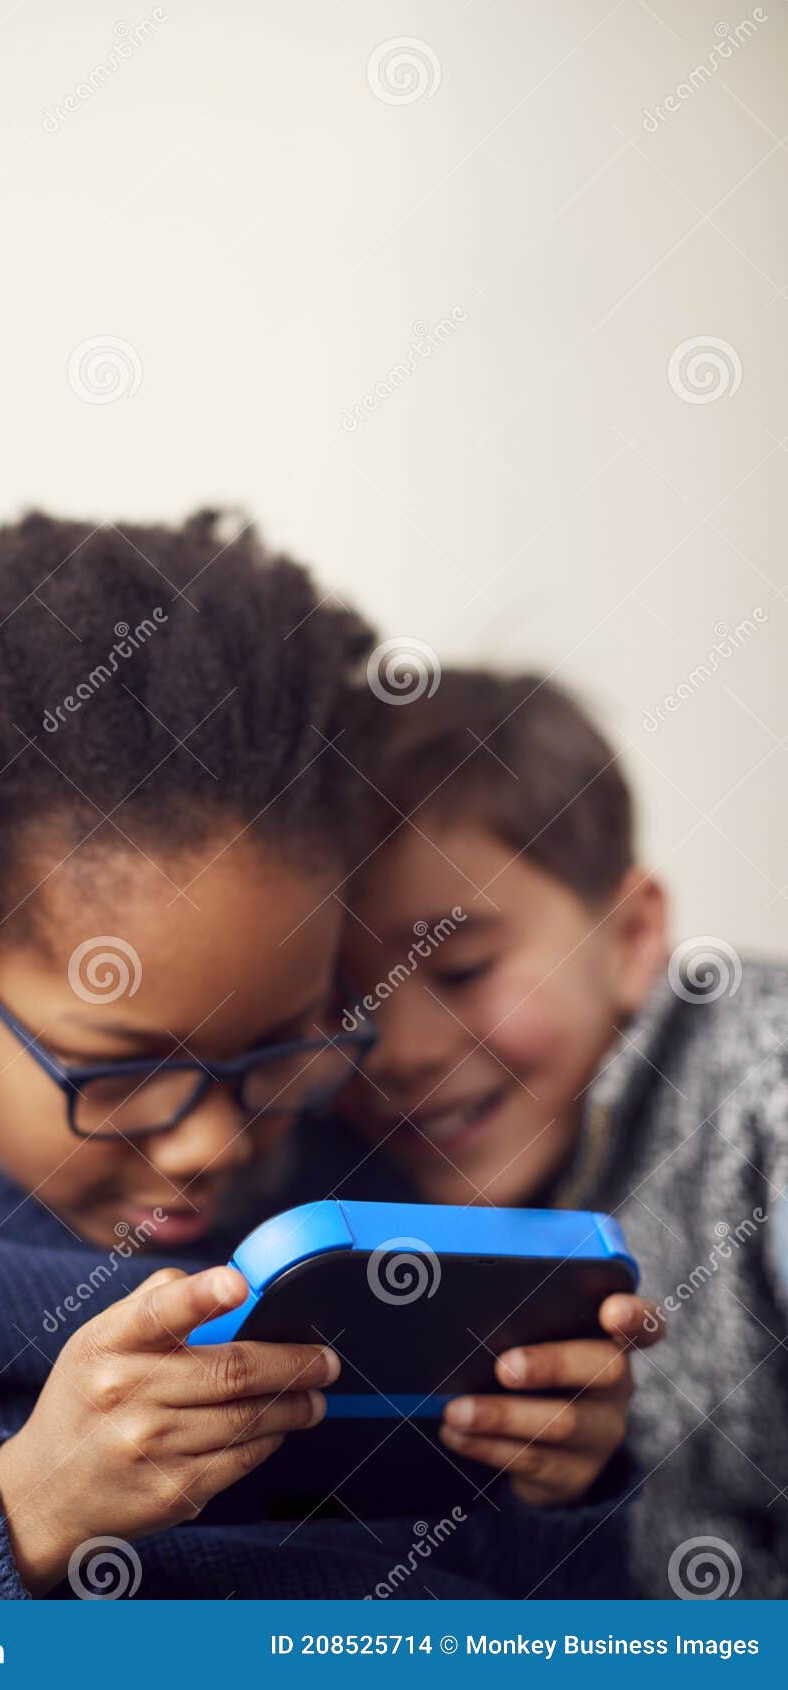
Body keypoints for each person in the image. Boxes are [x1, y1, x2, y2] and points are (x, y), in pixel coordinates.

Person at [0, 522, 644, 1600]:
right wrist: (23, 1509)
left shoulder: (351, 1199)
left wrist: (556, 1490)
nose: (212, 1142)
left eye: (279, 1047)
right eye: (116, 1069)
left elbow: (526, 1618)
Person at [332, 667, 788, 1597]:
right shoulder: (337, 1177)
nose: (398, 1051)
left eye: (459, 970)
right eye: (340, 1004)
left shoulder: (757, 1088)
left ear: (628, 938)